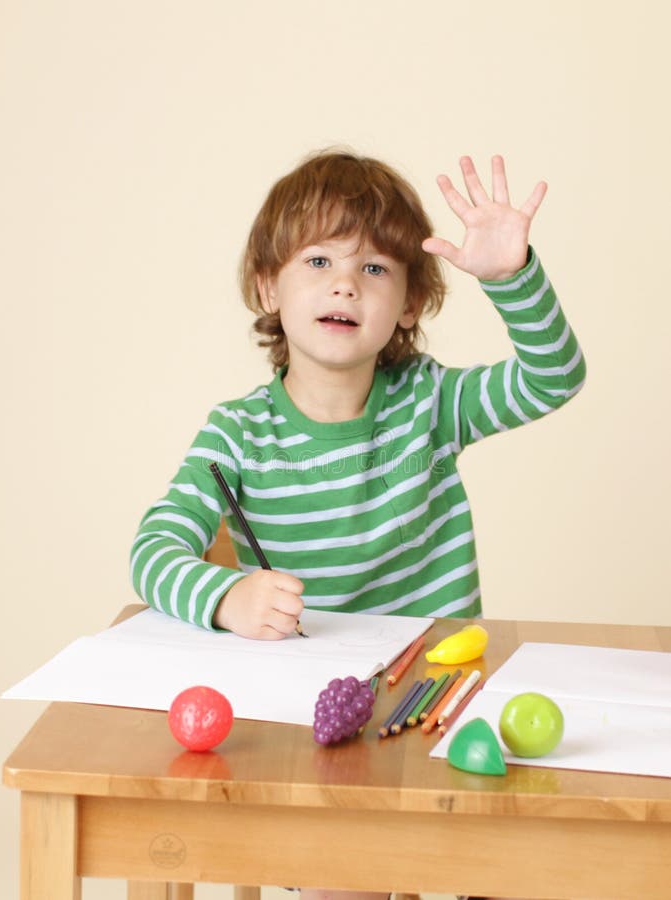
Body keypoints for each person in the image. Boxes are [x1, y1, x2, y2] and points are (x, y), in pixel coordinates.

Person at [130, 149, 584, 900]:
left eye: (375, 269)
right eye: (318, 260)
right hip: (312, 725)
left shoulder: (430, 406)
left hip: (436, 704)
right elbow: (153, 550)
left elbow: (554, 376)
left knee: (530, 854)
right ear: (267, 286)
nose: (345, 281)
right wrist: (224, 597)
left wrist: (512, 277)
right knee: (350, 875)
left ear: (410, 303)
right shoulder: (237, 433)